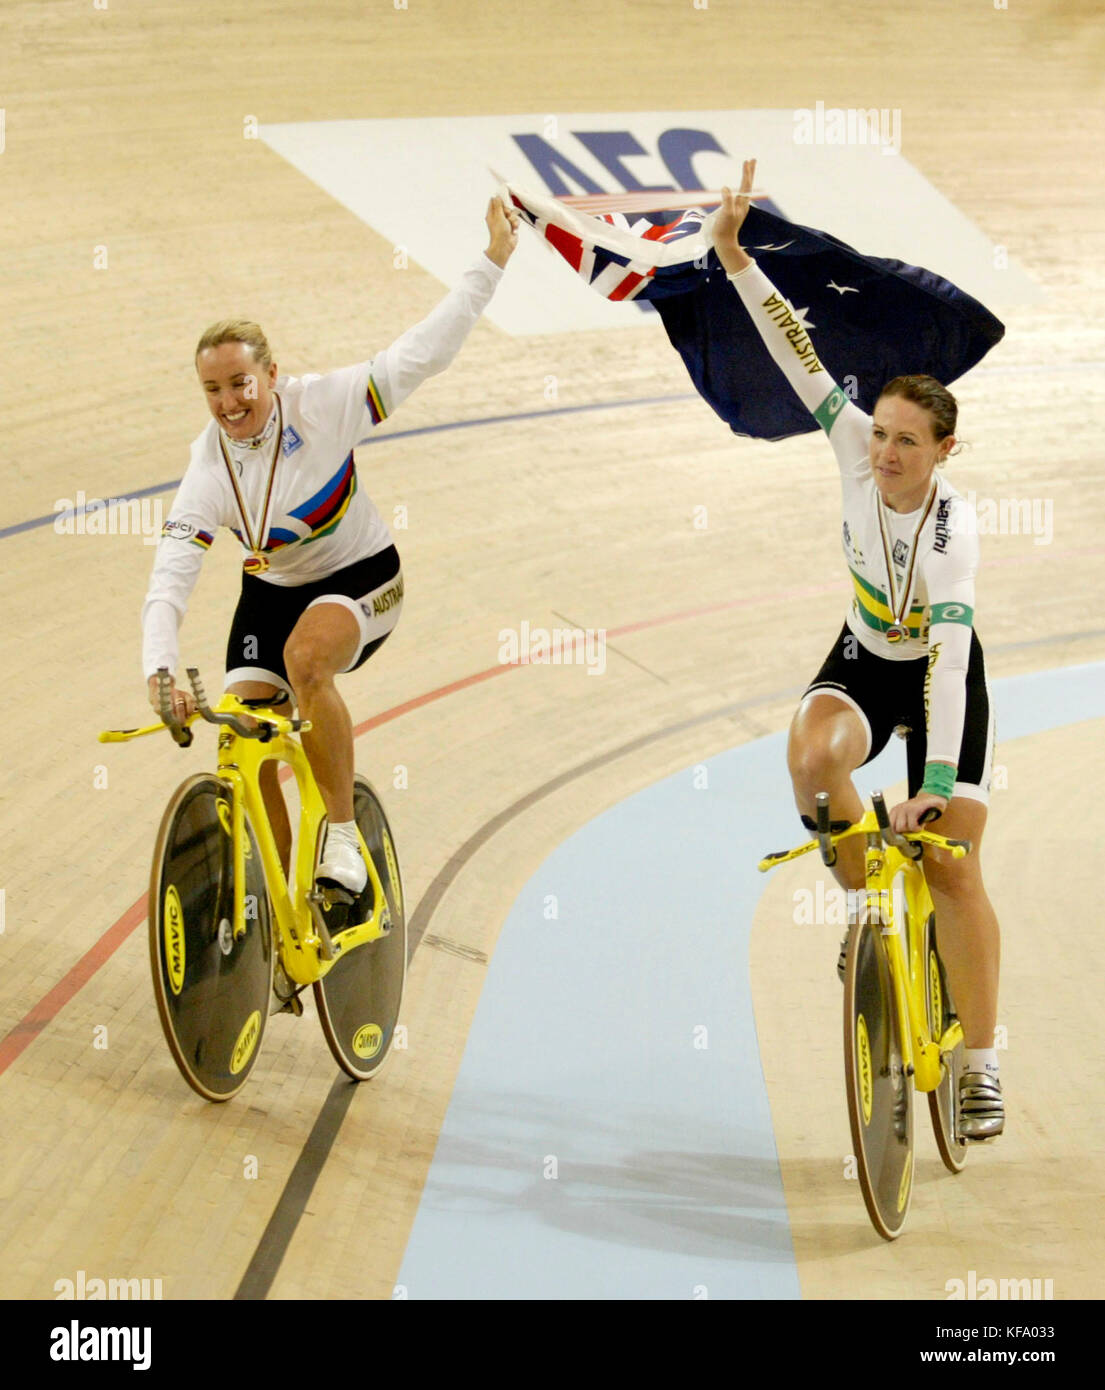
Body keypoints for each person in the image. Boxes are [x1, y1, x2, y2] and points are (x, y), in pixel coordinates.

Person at [713, 161, 1003, 1140]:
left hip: (936, 683)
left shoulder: (955, 531)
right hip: (865, 656)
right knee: (808, 758)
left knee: (955, 866)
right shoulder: (848, 442)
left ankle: (981, 1061)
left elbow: (952, 670)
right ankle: (870, 916)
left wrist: (930, 780)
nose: (883, 453)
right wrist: (732, 257)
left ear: (942, 452)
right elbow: (796, 350)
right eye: (878, 434)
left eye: (905, 443)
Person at [142, 197, 519, 900]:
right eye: (212, 389)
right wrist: (159, 667)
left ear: (272, 375)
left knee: (307, 659)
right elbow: (170, 577)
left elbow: (422, 353)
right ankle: (282, 910)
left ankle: (341, 839)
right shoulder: (206, 471)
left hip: (362, 578)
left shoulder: (324, 405)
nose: (228, 402)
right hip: (271, 593)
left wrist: (490, 262)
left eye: (239, 383)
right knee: (245, 746)